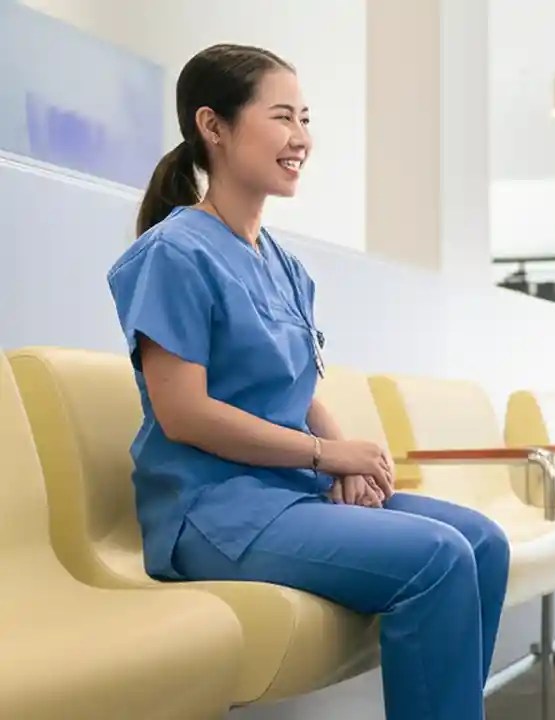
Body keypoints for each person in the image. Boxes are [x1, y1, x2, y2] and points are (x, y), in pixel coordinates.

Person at [106, 44, 509, 720]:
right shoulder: (173, 254)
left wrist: (350, 460)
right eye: (283, 117)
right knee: (437, 556)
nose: (301, 138)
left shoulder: (285, 265)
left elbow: (299, 385)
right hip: (213, 512)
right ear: (213, 125)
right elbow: (186, 415)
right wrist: (326, 456)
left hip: (289, 493)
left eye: (306, 119)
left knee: (484, 542)